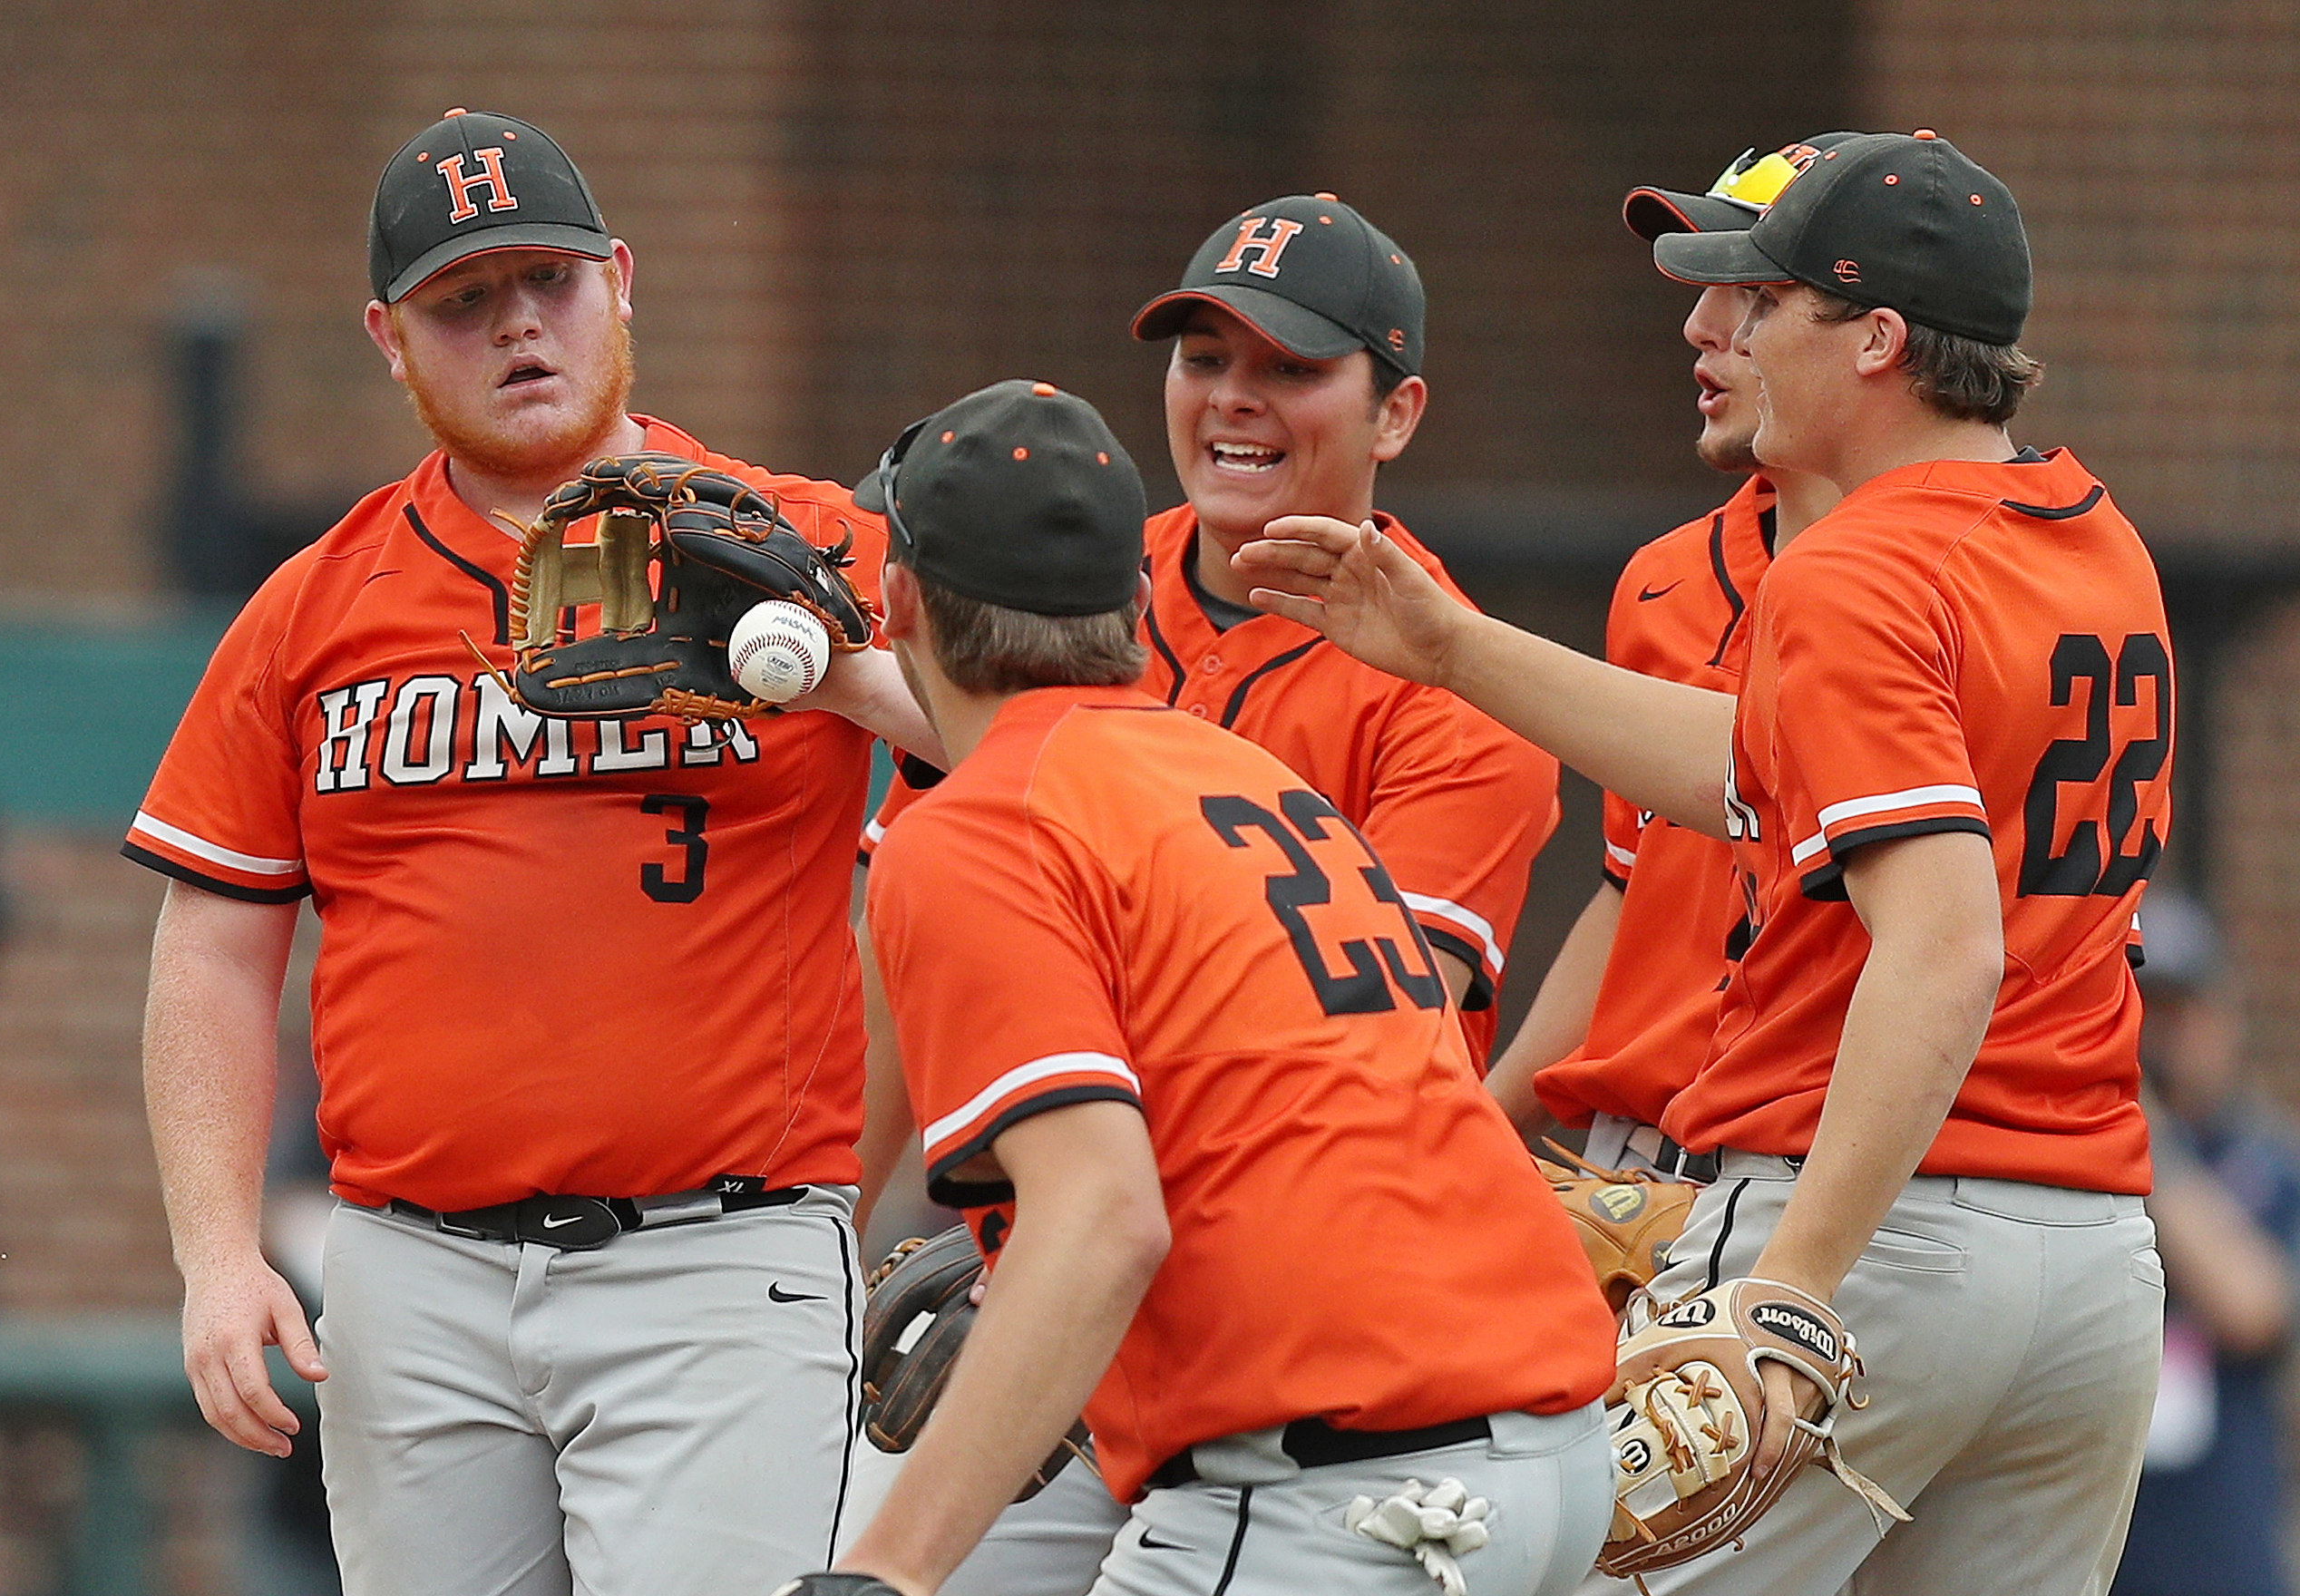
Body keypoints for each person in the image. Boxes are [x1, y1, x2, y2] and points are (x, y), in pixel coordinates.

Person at [1239, 131, 2170, 1594]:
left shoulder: (1856, 565)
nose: (1701, 326)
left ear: (1876, 340)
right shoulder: (2087, 531)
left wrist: (1790, 1285)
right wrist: (1454, 648)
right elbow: (1753, 774)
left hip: (1865, 1230)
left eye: (1760, 299)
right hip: (2090, 1266)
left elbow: (1946, 944)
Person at [128, 109, 940, 1596]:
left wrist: (830, 668)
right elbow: (213, 938)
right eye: (462, 301)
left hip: (716, 1257)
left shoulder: (812, 545)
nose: (517, 327)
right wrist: (215, 1253)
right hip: (408, 1272)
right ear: (389, 336)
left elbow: (1053, 754)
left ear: (621, 280)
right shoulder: (315, 607)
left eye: (548, 283)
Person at [842, 193, 1566, 1596]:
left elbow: (1312, 1051)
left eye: (1289, 366)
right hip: (1137, 1301)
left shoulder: (1457, 683)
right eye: (1201, 356)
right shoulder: (1078, 563)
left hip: (1303, 1333)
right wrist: (824, 1245)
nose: (1233, 398)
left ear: (1395, 414)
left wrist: (1044, 1251)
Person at [1486, 144, 1845, 1168]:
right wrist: (1481, 1125)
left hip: (1840, 1167)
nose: (1701, 324)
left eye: (1753, 289)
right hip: (1638, 1152)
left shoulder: (1955, 576)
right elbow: (1629, 887)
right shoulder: (1661, 579)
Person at [2113, 890, 2300, 1596]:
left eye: (2178, 1012)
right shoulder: (2068, 1174)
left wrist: (2141, 1135)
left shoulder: (2268, 1165)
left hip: (2217, 1554)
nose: (2159, 1037)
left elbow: (2254, 1306)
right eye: (2143, 1011)